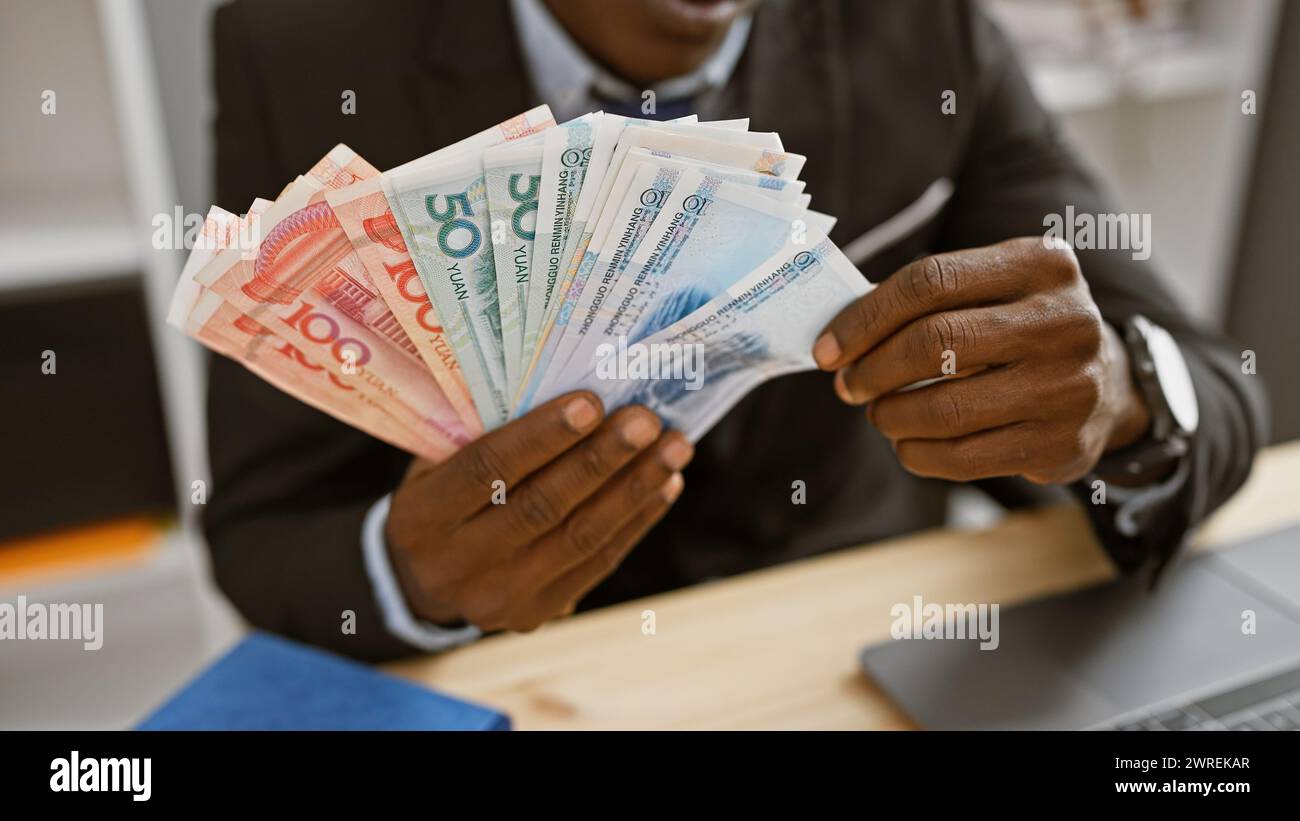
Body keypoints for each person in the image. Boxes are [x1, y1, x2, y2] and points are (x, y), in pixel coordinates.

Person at [205, 0, 1267, 661]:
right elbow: (263, 527)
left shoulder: (921, 24)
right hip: (535, 676)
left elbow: (1214, 390)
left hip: (864, 653)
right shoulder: (299, 42)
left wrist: (1121, 400)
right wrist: (416, 577)